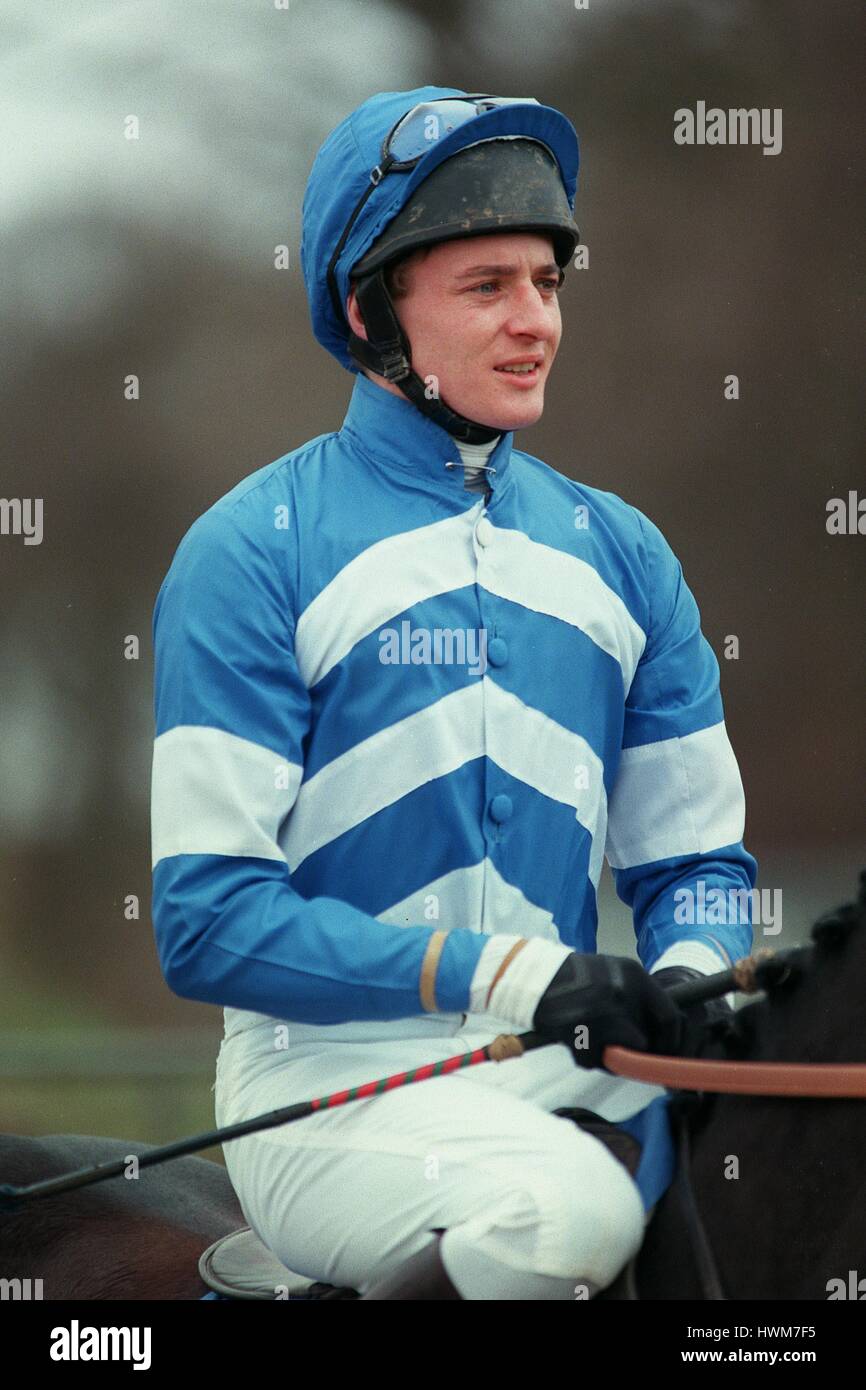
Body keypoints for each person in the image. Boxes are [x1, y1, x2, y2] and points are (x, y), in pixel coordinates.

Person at [150, 87, 757, 1299]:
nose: (535, 321)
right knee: (560, 1217)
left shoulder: (623, 554)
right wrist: (511, 975)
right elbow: (204, 921)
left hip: (571, 1059)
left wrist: (687, 976)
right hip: (325, 1090)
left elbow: (696, 865)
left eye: (546, 282)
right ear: (370, 309)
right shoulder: (253, 549)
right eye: (487, 287)